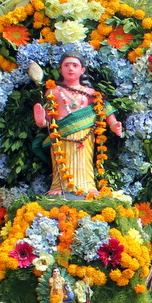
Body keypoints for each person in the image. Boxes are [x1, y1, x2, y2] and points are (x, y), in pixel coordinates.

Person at [33, 54, 123, 197]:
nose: (70, 69)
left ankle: (88, 185)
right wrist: (42, 122)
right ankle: (58, 185)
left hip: (85, 134)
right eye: (66, 65)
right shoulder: (54, 91)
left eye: (75, 65)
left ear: (82, 70)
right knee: (61, 160)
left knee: (84, 160)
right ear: (60, 69)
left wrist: (113, 124)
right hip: (61, 133)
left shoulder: (90, 93)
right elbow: (49, 118)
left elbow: (104, 107)